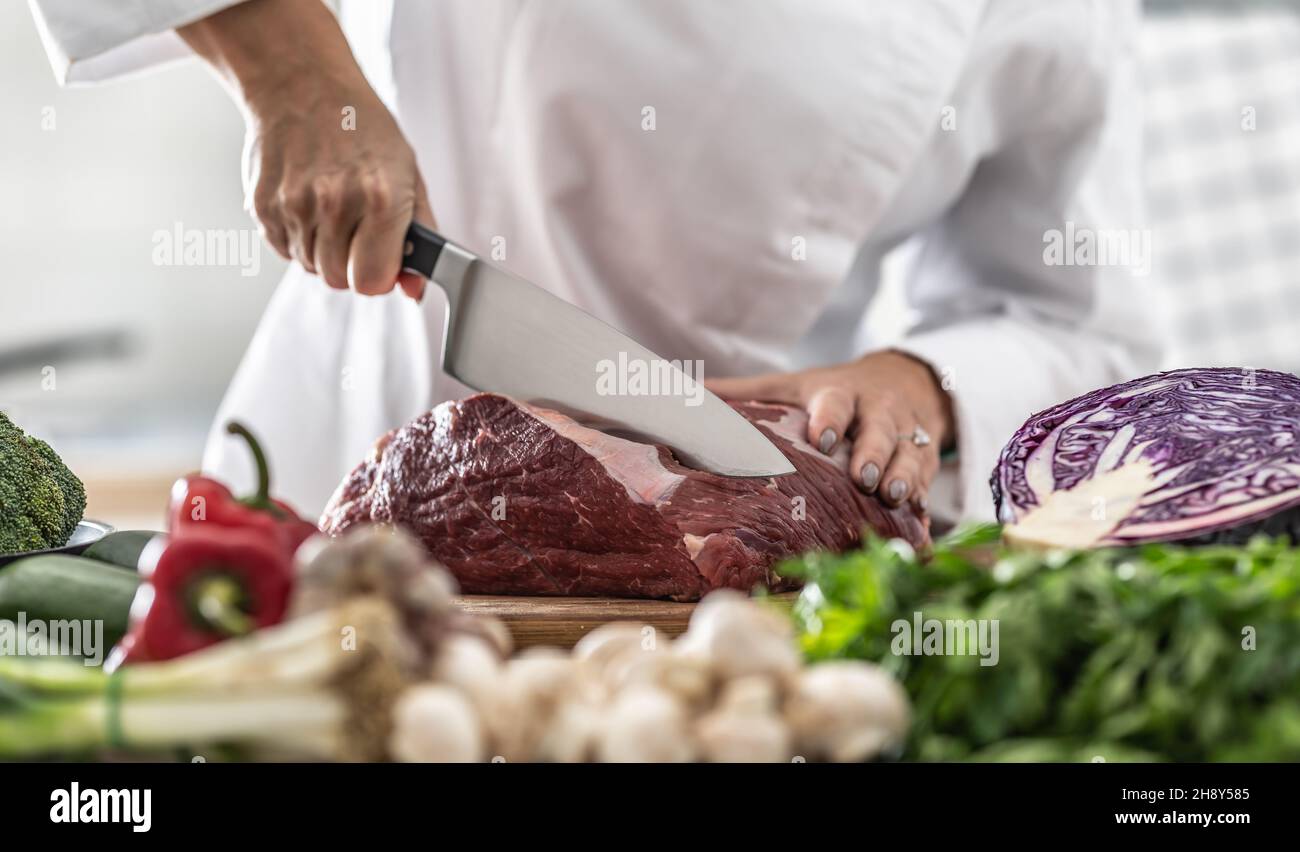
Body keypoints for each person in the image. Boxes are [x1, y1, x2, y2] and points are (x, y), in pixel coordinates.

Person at [30, 0, 1159, 524]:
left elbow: (1081, 325)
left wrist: (920, 381)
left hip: (742, 512)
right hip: (354, 422)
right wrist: (288, 71)